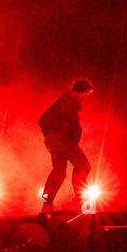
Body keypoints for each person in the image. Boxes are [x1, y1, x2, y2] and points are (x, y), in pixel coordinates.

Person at [38, 77, 94, 210]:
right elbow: (47, 120)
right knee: (84, 166)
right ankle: (78, 199)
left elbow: (44, 120)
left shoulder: (65, 101)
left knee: (59, 172)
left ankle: (47, 203)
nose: (86, 97)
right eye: (86, 94)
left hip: (57, 142)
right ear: (80, 91)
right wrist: (56, 135)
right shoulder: (67, 102)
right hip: (62, 142)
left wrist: (50, 137)